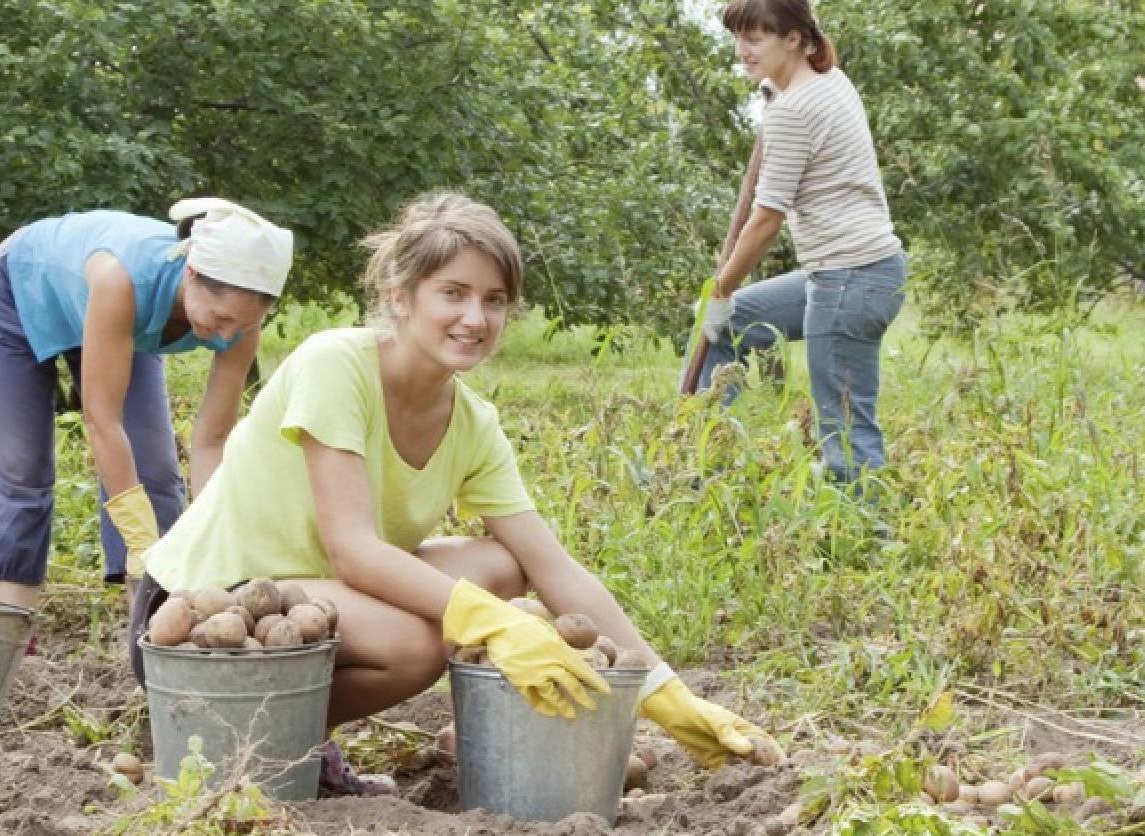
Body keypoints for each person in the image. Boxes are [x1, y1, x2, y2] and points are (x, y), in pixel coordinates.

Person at [131, 192, 772, 797]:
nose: (475, 317)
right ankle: (214, 731)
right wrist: (496, 625)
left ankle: (290, 736)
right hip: (203, 615)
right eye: (453, 293)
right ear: (399, 296)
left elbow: (553, 568)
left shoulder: (473, 423)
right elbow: (352, 550)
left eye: (494, 300)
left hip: (315, 601)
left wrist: (666, 697)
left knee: (505, 564)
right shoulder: (336, 364)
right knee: (416, 643)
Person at [0, 198, 293, 613]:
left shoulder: (240, 321)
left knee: (153, 468)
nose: (226, 334)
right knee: (20, 468)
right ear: (190, 273)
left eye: (242, 325)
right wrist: (140, 539)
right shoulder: (122, 281)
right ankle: (11, 622)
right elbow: (103, 422)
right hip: (19, 292)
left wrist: (213, 527)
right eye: (220, 317)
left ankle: (152, 633)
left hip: (122, 322)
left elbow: (213, 437)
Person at [692, 0, 908, 486]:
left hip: (848, 279)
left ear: (792, 39)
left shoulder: (793, 111)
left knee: (846, 426)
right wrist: (772, 81)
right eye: (737, 37)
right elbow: (789, 76)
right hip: (866, 272)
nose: (740, 51)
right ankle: (709, 466)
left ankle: (864, 536)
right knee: (733, 328)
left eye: (754, 39)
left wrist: (721, 291)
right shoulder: (829, 80)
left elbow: (766, 219)